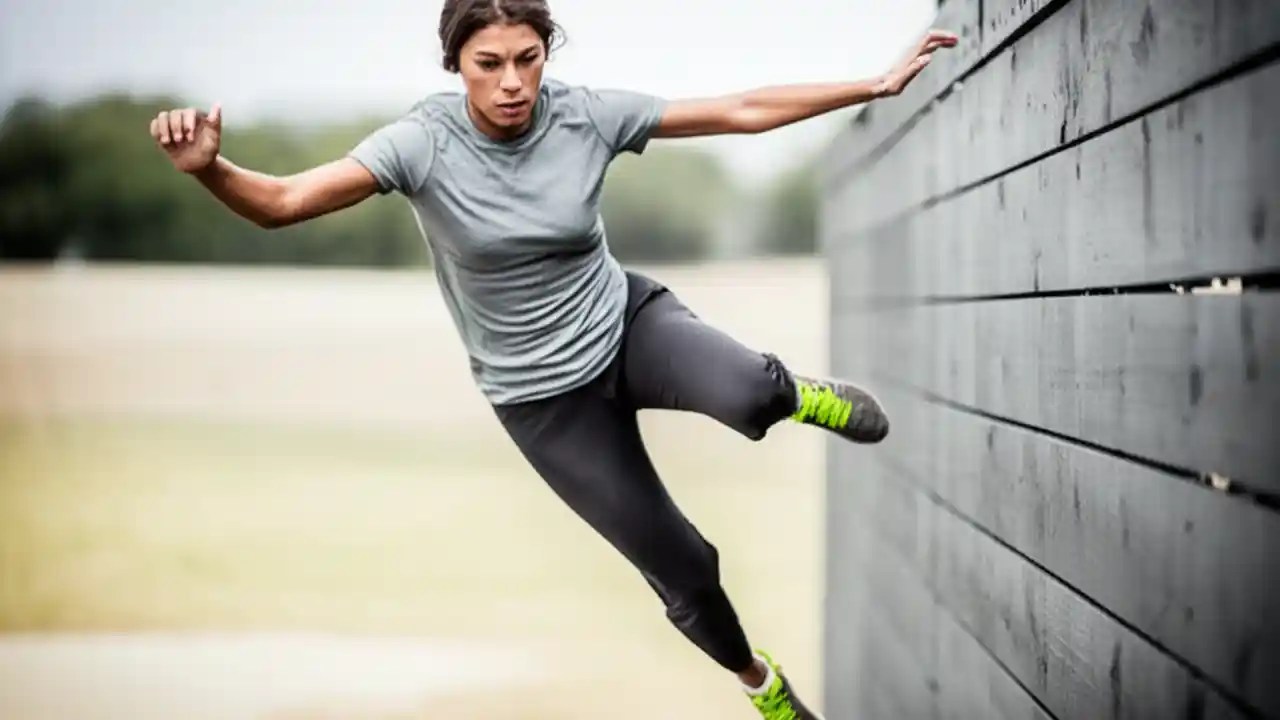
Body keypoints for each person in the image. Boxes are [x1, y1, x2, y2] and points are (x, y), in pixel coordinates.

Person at [147, 2, 956, 716]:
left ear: (547, 53)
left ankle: (797, 396)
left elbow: (739, 109)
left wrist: (872, 85)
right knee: (684, 569)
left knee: (747, 392)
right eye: (488, 64)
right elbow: (284, 203)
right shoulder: (419, 144)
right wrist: (211, 168)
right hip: (542, 403)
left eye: (527, 59)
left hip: (626, 327)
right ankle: (763, 689)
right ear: (454, 64)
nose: (511, 83)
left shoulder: (585, 116)